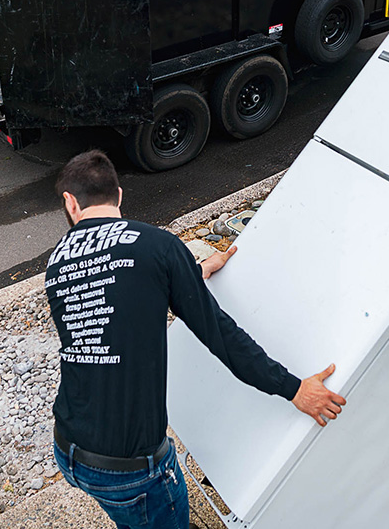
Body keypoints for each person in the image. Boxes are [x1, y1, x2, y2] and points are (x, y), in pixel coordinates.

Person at [46, 150, 346, 529]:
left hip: (69, 447)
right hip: (132, 469)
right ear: (119, 196)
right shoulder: (156, 245)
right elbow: (220, 335)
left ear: (70, 202)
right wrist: (294, 389)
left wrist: (191, 272)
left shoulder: (58, 262)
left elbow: (115, 305)